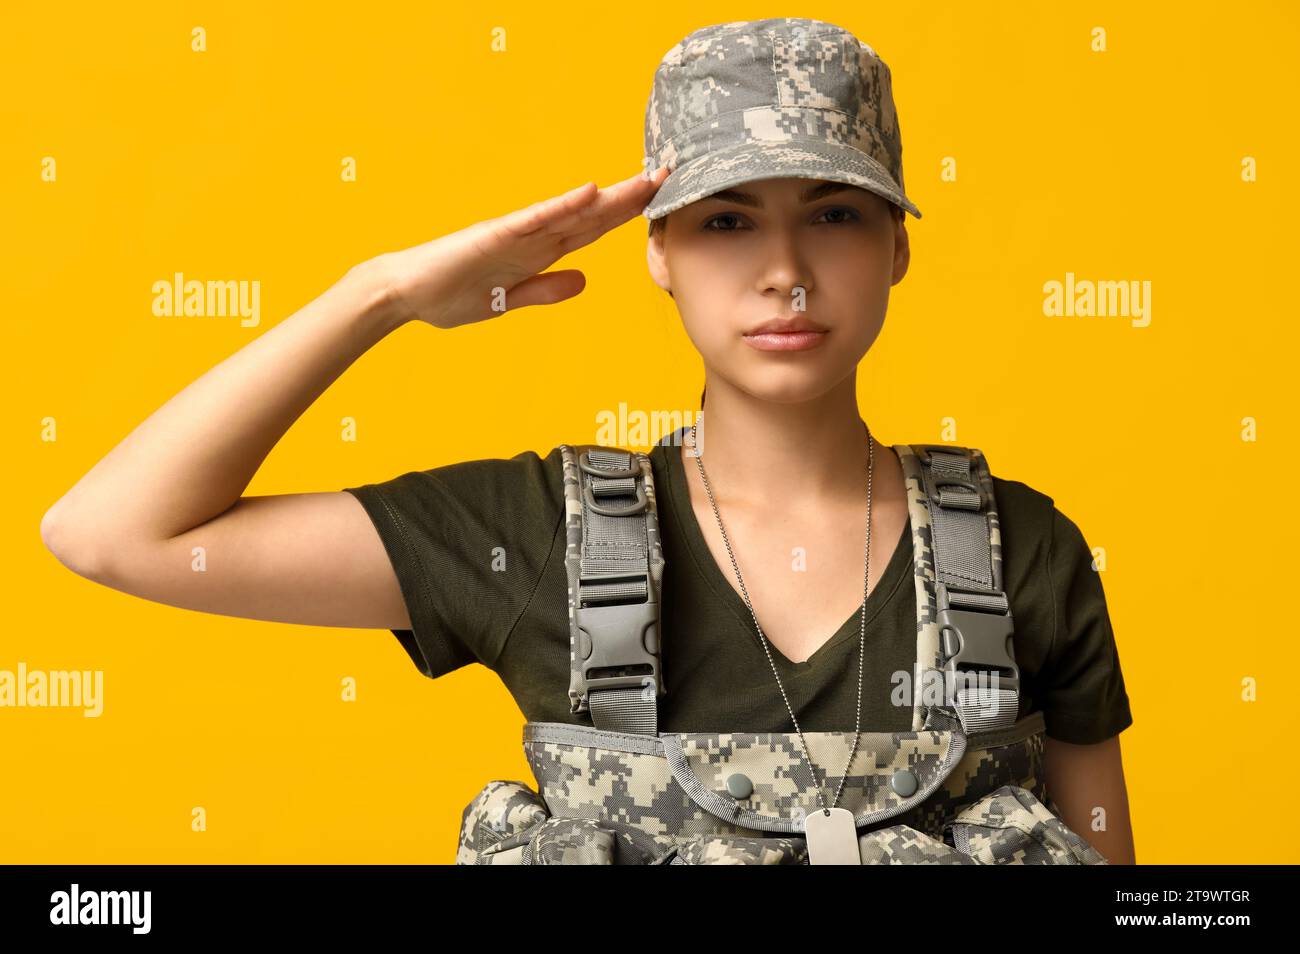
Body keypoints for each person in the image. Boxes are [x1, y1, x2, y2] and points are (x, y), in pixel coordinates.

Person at [39, 17, 1135, 864]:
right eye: (727, 219)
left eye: (835, 213)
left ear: (897, 246)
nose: (785, 267)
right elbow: (113, 534)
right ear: (655, 252)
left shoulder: (1020, 549)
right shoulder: (538, 538)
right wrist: (379, 294)